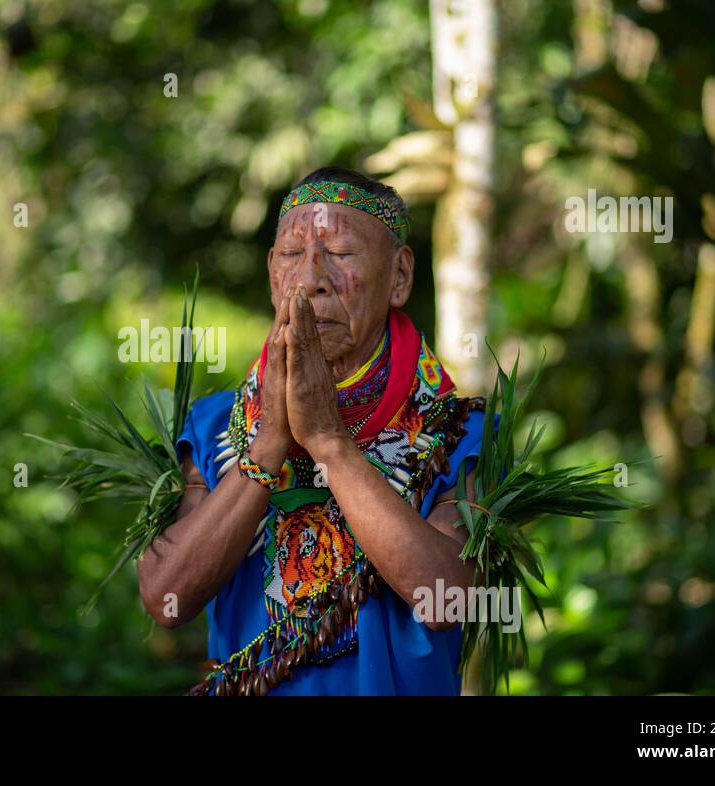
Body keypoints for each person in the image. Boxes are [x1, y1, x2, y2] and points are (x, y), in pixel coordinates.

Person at [137, 166, 488, 695]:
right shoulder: (214, 428)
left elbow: (446, 601)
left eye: (342, 254)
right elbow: (167, 598)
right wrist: (272, 441)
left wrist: (328, 443)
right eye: (290, 255)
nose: (310, 279)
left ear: (399, 276)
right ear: (272, 273)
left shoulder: (459, 430)